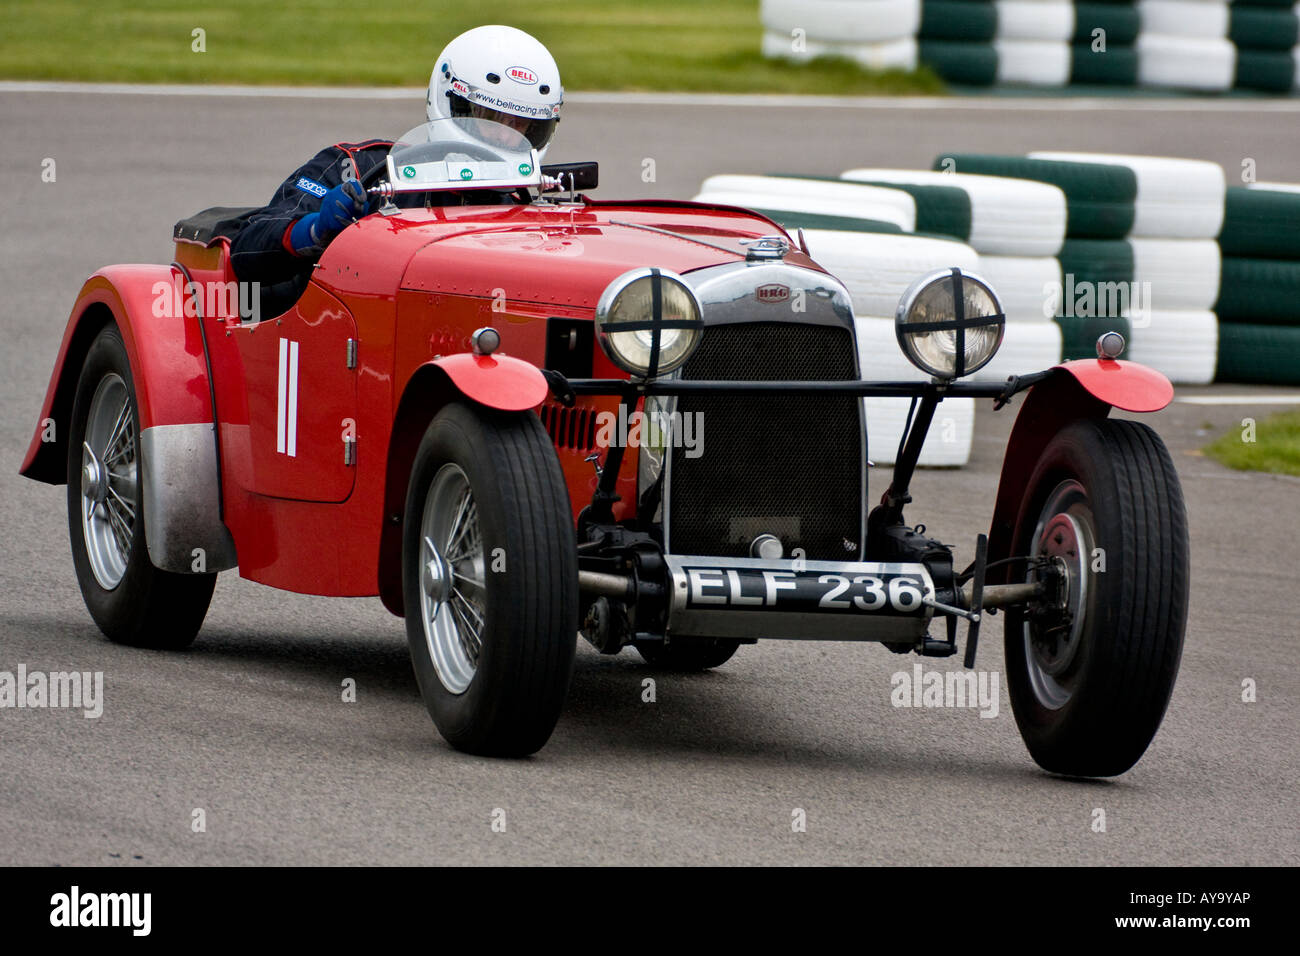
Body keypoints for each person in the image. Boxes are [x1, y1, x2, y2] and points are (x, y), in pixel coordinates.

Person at [229, 24, 563, 310]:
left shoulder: (530, 209)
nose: (504, 135)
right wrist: (318, 230)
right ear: (453, 102)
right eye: (491, 118)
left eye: (519, 125)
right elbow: (246, 253)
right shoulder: (356, 167)